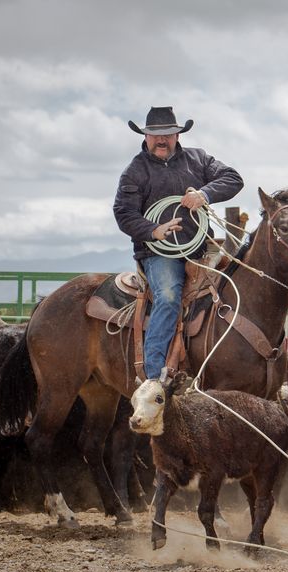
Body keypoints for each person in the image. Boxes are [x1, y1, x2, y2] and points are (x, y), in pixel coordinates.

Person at [113, 106, 243, 379]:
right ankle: (153, 376)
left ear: (177, 135)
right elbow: (124, 213)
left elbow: (234, 179)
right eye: (155, 134)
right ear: (146, 136)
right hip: (158, 253)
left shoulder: (198, 159)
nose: (162, 140)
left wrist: (204, 194)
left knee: (236, 285)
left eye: (168, 134)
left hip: (199, 248)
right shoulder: (135, 171)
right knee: (169, 297)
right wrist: (154, 230)